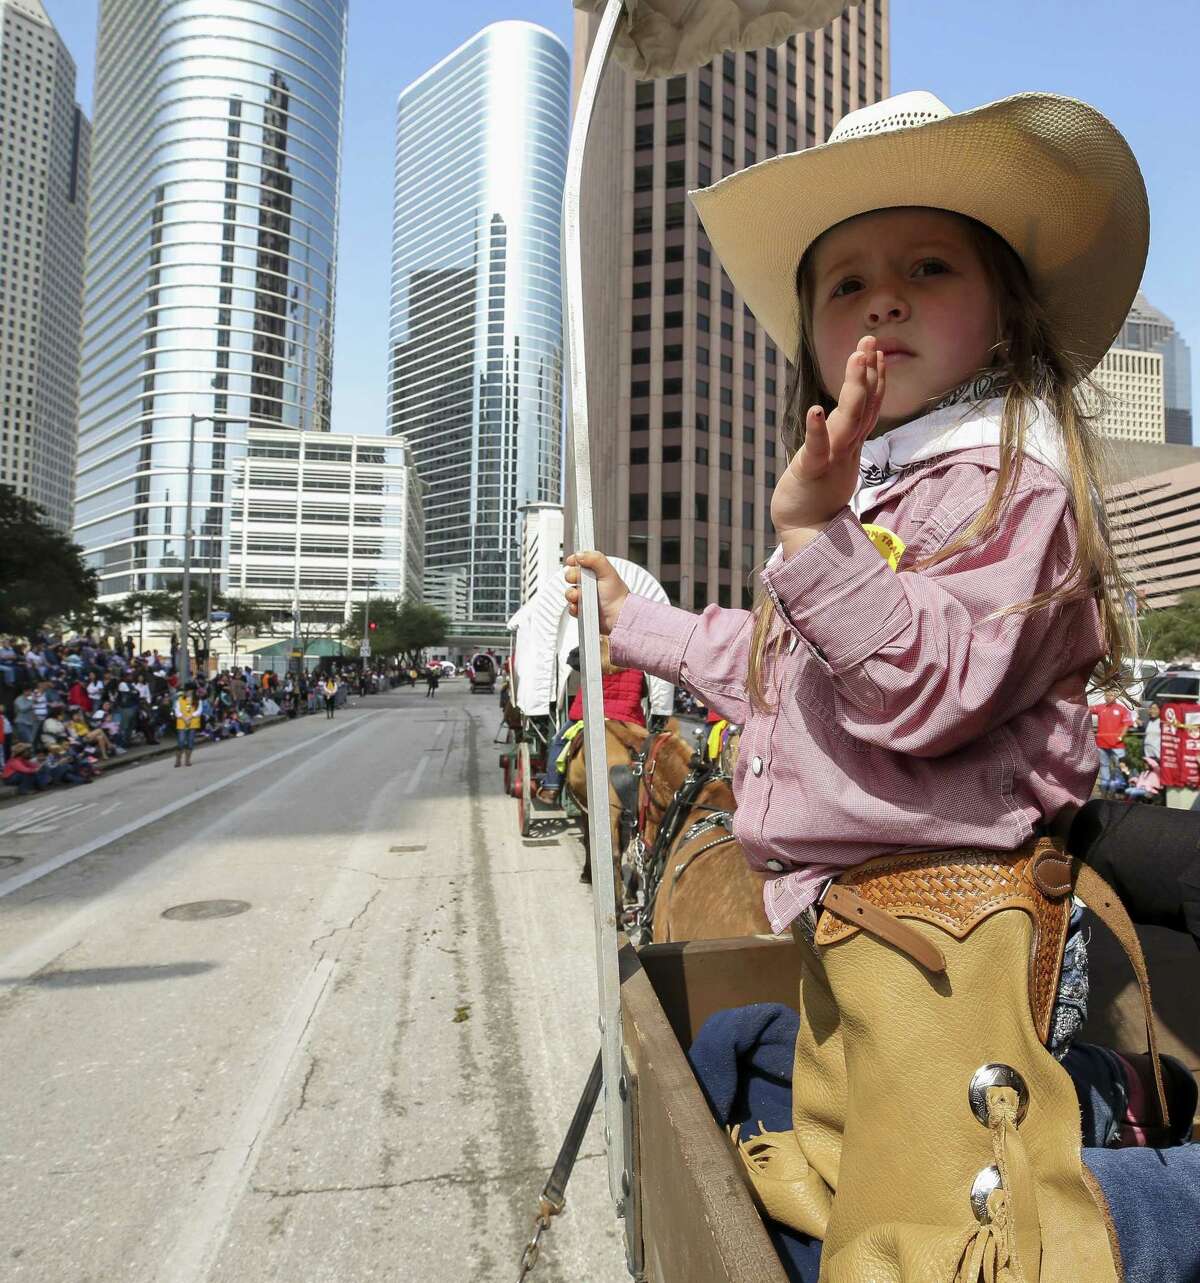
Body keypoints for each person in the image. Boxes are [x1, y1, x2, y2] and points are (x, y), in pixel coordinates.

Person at [565, 88, 1163, 1268]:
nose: (883, 296)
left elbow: (922, 688)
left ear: (1003, 312)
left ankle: (1142, 1197)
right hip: (851, 916)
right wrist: (644, 623)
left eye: (929, 266)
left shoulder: (1009, 482)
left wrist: (813, 536)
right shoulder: (872, 492)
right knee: (838, 1162)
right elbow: (785, 677)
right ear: (818, 341)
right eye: (846, 284)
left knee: (946, 1244)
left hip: (951, 921)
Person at [536, 641, 647, 804]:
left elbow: (571, 660)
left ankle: (552, 787)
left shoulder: (591, 655)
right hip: (627, 719)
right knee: (649, 747)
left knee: (558, 742)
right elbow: (643, 692)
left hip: (590, 714)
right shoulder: (635, 659)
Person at [1090, 688, 1136, 797]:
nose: (1109, 697)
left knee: (1120, 766)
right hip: (1102, 744)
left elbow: (1127, 724)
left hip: (1117, 745)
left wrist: (1121, 737)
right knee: (1104, 766)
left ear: (1115, 696)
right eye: (1107, 695)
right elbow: (1086, 709)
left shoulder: (1122, 709)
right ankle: (1105, 788)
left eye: (1111, 695)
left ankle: (1119, 788)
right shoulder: (1100, 707)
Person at [173, 681, 200, 768]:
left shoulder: (198, 700)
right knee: (181, 741)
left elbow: (199, 711)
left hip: (193, 723)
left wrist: (190, 717)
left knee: (190, 742)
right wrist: (184, 718)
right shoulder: (180, 699)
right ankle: (178, 760)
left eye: (191, 690)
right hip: (182, 723)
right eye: (188, 690)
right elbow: (177, 711)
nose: (189, 692)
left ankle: (187, 760)